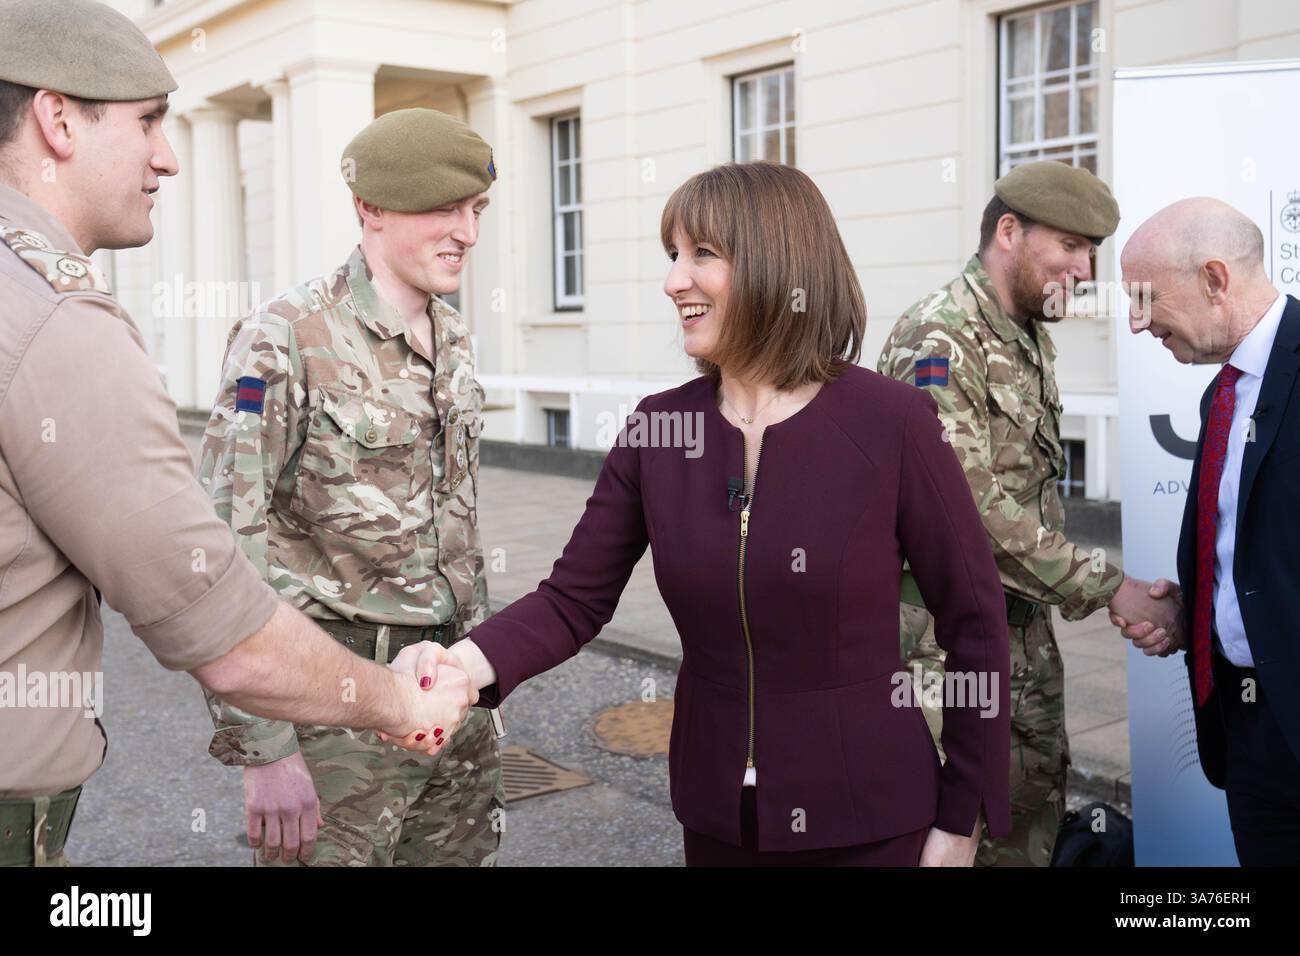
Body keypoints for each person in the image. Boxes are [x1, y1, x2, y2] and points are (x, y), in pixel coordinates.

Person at [396, 161, 1012, 866]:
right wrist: (458, 668)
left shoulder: (891, 422)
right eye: (672, 256)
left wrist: (962, 818)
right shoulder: (660, 430)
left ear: (777, 263)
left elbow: (976, 623)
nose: (673, 281)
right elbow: (571, 600)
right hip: (718, 819)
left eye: (702, 255)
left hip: (872, 820)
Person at [0, 0, 469, 868]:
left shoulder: (455, 340)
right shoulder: (56, 321)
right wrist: (386, 711)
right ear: (57, 118)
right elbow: (221, 614)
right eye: (147, 123)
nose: (167, 157)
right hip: (343, 714)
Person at [197, 108, 504, 866]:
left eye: (477, 210)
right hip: (331, 713)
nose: (467, 231)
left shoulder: (455, 338)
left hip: (451, 700)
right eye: (443, 207)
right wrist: (263, 748)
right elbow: (220, 547)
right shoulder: (285, 337)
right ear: (369, 208)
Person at [876, 159, 1178, 866]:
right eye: (1070, 245)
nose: (1084, 266)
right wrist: (1110, 586)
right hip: (947, 656)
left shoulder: (1026, 332)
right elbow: (964, 509)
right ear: (1008, 231)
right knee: (958, 838)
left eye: (1092, 252)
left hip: (1021, 639)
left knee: (1028, 831)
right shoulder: (941, 338)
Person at [1116, 197, 1300, 865]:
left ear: (1214, 278)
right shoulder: (1221, 392)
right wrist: (1190, 613)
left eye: (1146, 298)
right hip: (1249, 733)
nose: (1136, 326)